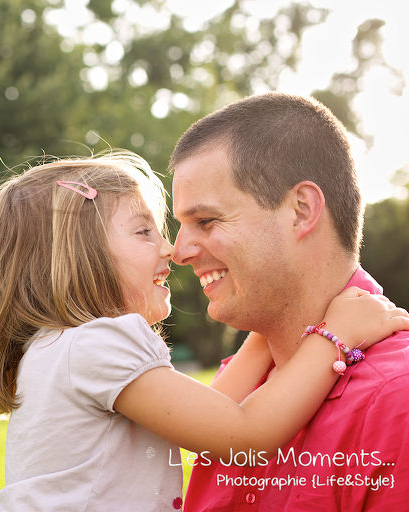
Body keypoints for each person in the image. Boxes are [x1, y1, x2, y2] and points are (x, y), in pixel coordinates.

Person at [0, 151, 408, 511]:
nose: (170, 249)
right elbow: (244, 436)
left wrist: (270, 328)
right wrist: (333, 334)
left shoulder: (60, 349)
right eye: (144, 232)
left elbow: (210, 416)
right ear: (81, 256)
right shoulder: (97, 344)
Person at [170, 92, 409, 511]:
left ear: (301, 210)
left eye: (205, 220)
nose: (178, 252)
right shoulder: (236, 389)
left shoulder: (396, 399)